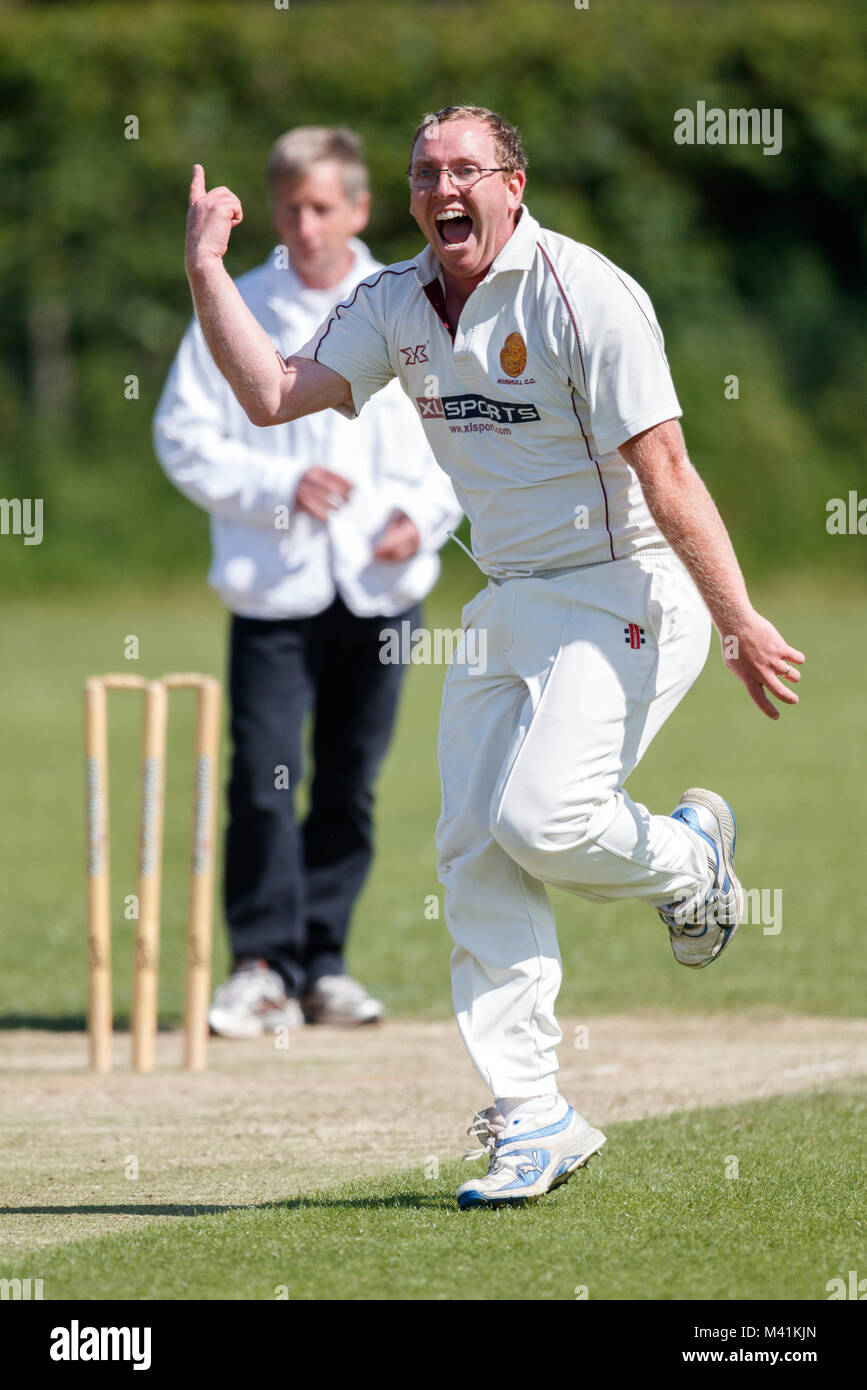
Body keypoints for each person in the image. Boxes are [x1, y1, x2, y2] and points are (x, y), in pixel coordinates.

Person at [182, 104, 804, 1206]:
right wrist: (206, 269)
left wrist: (743, 618)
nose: (442, 187)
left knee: (541, 820)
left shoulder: (584, 293)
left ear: (515, 183)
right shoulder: (394, 303)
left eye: (466, 168)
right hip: (508, 600)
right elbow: (274, 396)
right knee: (475, 850)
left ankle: (690, 862)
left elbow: (666, 471)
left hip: (630, 585)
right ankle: (533, 1117)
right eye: (425, 172)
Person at [155, 126, 461, 1037]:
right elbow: (183, 436)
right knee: (260, 779)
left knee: (349, 783)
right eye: (290, 206)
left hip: (382, 587)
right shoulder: (236, 302)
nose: (305, 222)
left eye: (323, 206)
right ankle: (259, 965)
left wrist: (428, 515)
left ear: (360, 209)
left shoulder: (411, 302)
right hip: (273, 592)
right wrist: (276, 486)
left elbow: (463, 429)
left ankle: (323, 964)